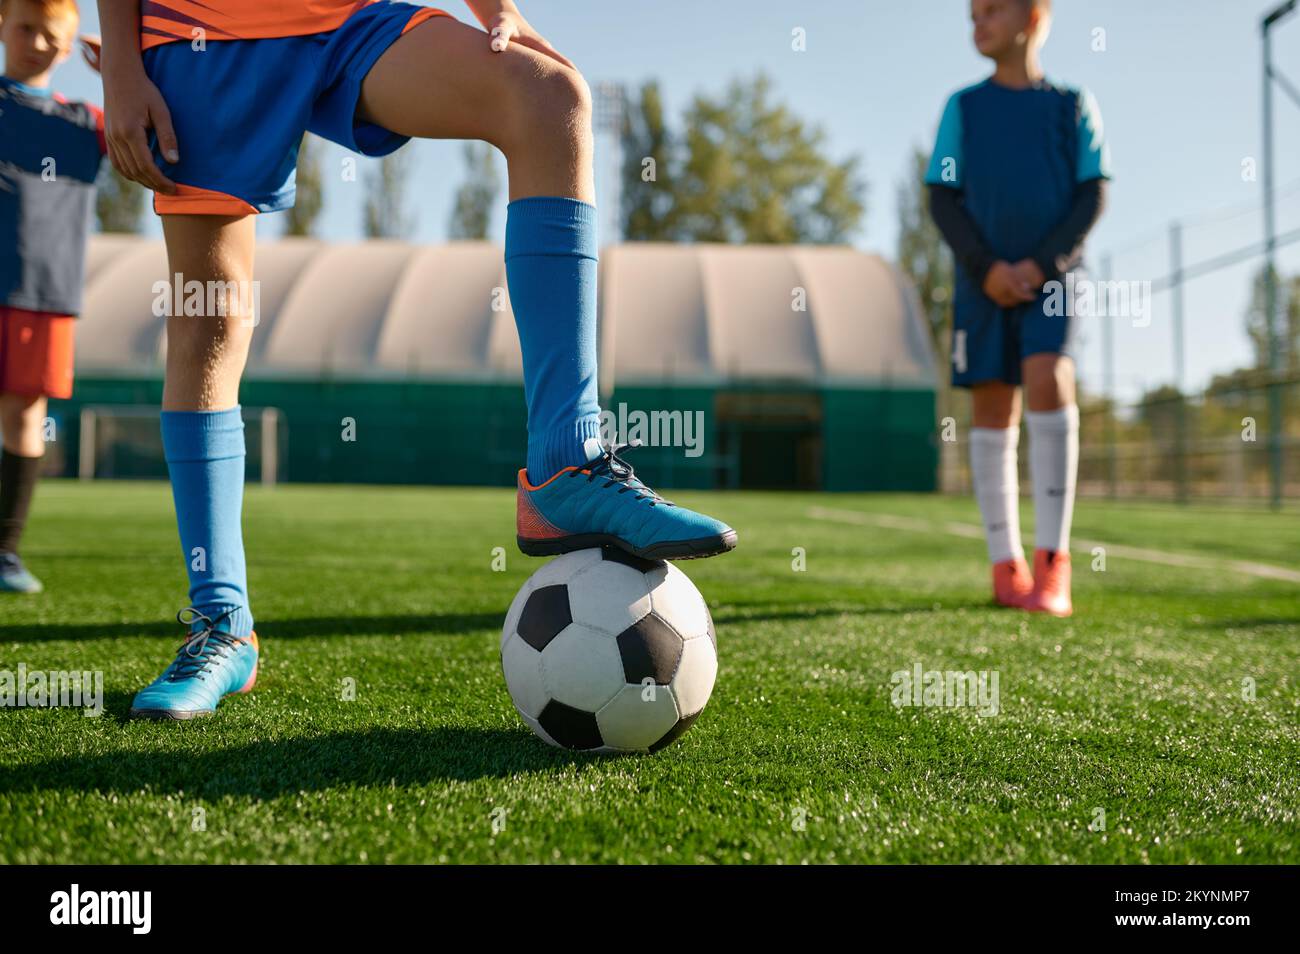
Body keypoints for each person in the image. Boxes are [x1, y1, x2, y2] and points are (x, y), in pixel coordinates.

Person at [95, 0, 737, 719]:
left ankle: (568, 463)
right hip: (200, 32)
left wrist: (494, 9)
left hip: (346, 20)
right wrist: (123, 68)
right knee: (207, 324)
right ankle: (222, 624)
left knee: (548, 94)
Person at [926, 0, 1109, 617]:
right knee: (991, 399)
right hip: (983, 283)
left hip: (1051, 279)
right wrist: (987, 269)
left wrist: (1040, 265)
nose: (977, 22)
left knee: (1048, 374)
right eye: (972, 14)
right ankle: (1007, 565)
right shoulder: (963, 107)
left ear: (1033, 17)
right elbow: (943, 196)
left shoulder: (1071, 105)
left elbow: (1093, 194)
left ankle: (1054, 564)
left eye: (992, 11)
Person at [0, 0, 104, 593]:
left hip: (44, 294)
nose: (37, 42)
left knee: (25, 415)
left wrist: (125, 70)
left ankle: (5, 551)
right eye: (24, 28)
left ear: (69, 48)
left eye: (51, 35)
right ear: (2, 28)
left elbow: (166, 149)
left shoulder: (86, 123)